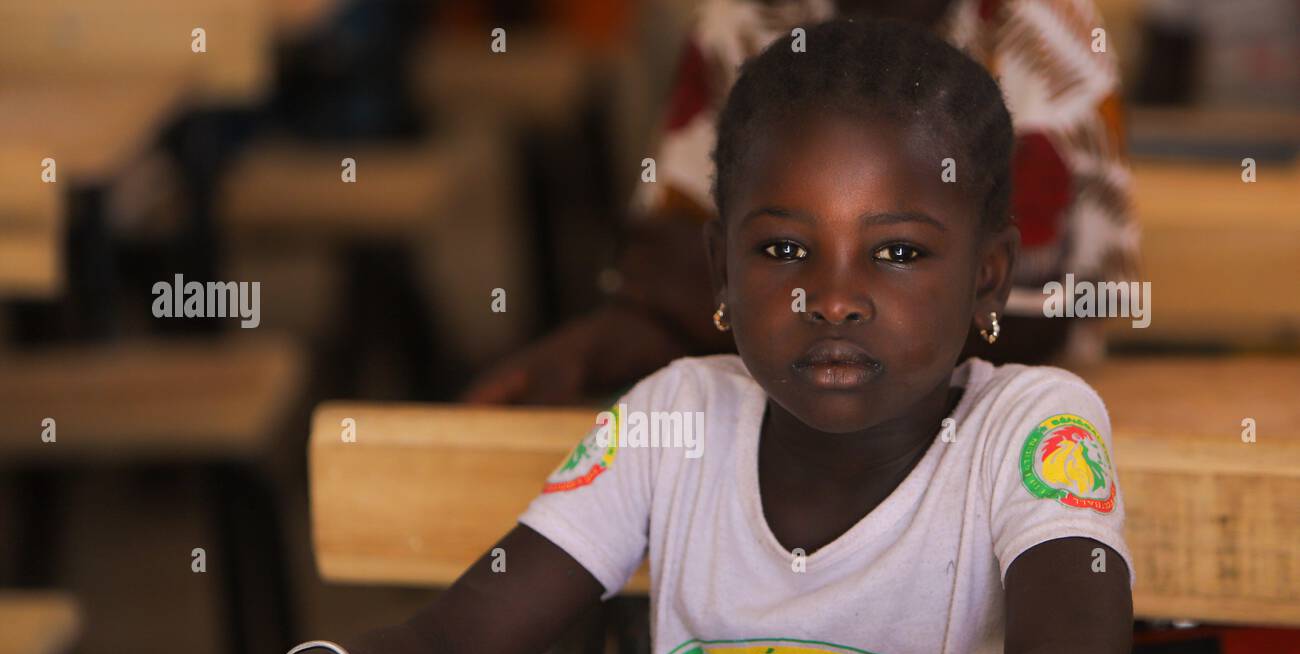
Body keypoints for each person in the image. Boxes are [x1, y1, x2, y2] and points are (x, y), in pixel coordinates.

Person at [223, 18, 1134, 654]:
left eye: (897, 252)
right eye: (782, 250)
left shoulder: (1032, 427)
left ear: (989, 280)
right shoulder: (674, 420)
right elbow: (452, 652)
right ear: (720, 274)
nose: (834, 296)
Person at [463, 0, 1139, 404]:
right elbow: (665, 263)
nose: (834, 294)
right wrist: (589, 351)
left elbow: (1027, 316)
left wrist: (754, 279)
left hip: (996, 418)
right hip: (781, 415)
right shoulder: (749, 14)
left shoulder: (1040, 25)